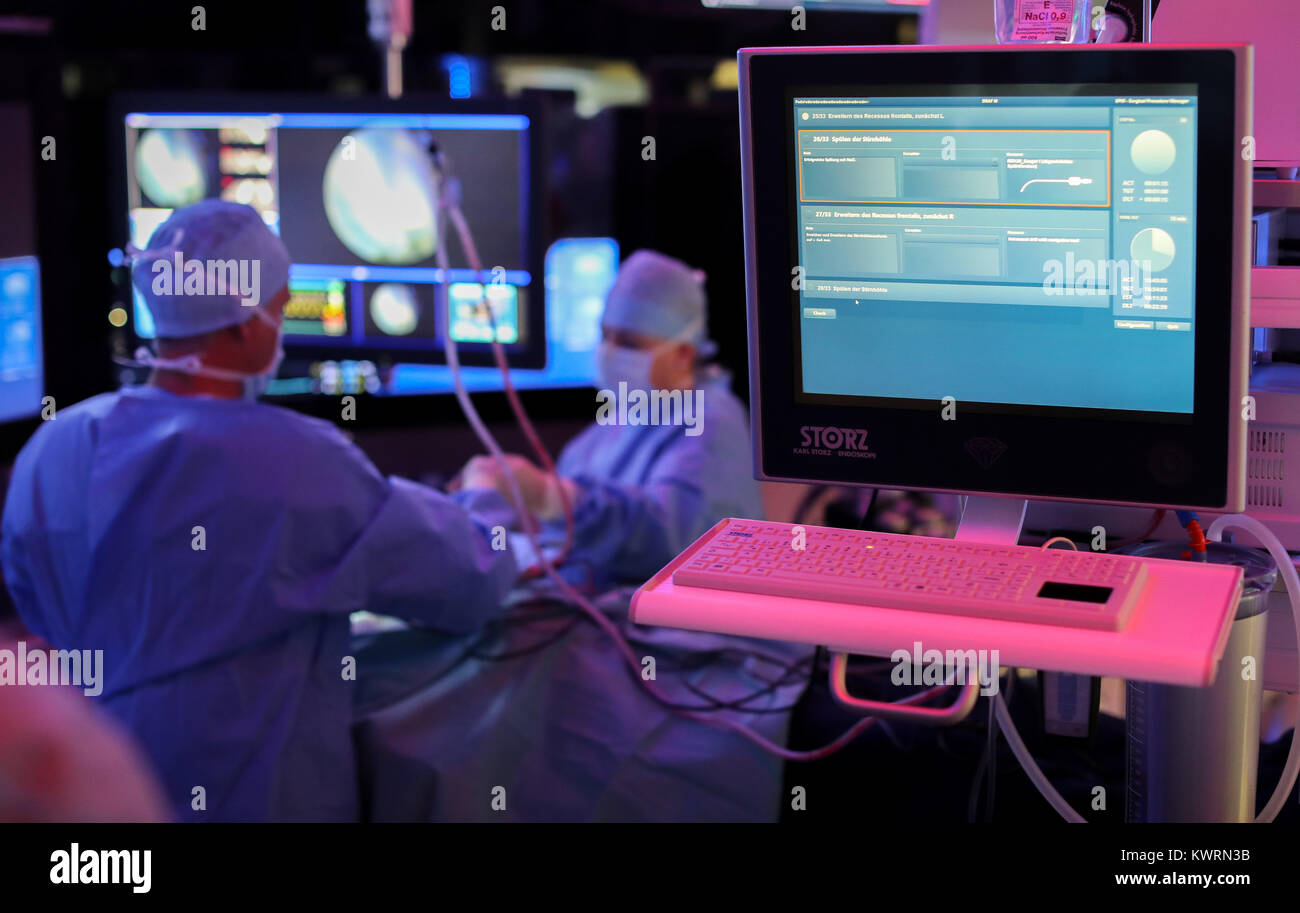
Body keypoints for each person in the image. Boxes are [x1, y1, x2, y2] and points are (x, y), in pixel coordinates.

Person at [0, 200, 515, 822]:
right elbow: (469, 580)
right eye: (280, 308)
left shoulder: (53, 449)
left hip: (103, 801)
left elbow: (37, 600)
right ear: (247, 325)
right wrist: (488, 497)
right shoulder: (296, 460)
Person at [457, 249, 762, 584]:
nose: (610, 352)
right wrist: (512, 505)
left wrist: (549, 496)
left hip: (674, 630)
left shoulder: (710, 420)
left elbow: (669, 540)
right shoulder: (622, 419)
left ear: (683, 354)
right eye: (605, 336)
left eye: (629, 342)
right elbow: (574, 532)